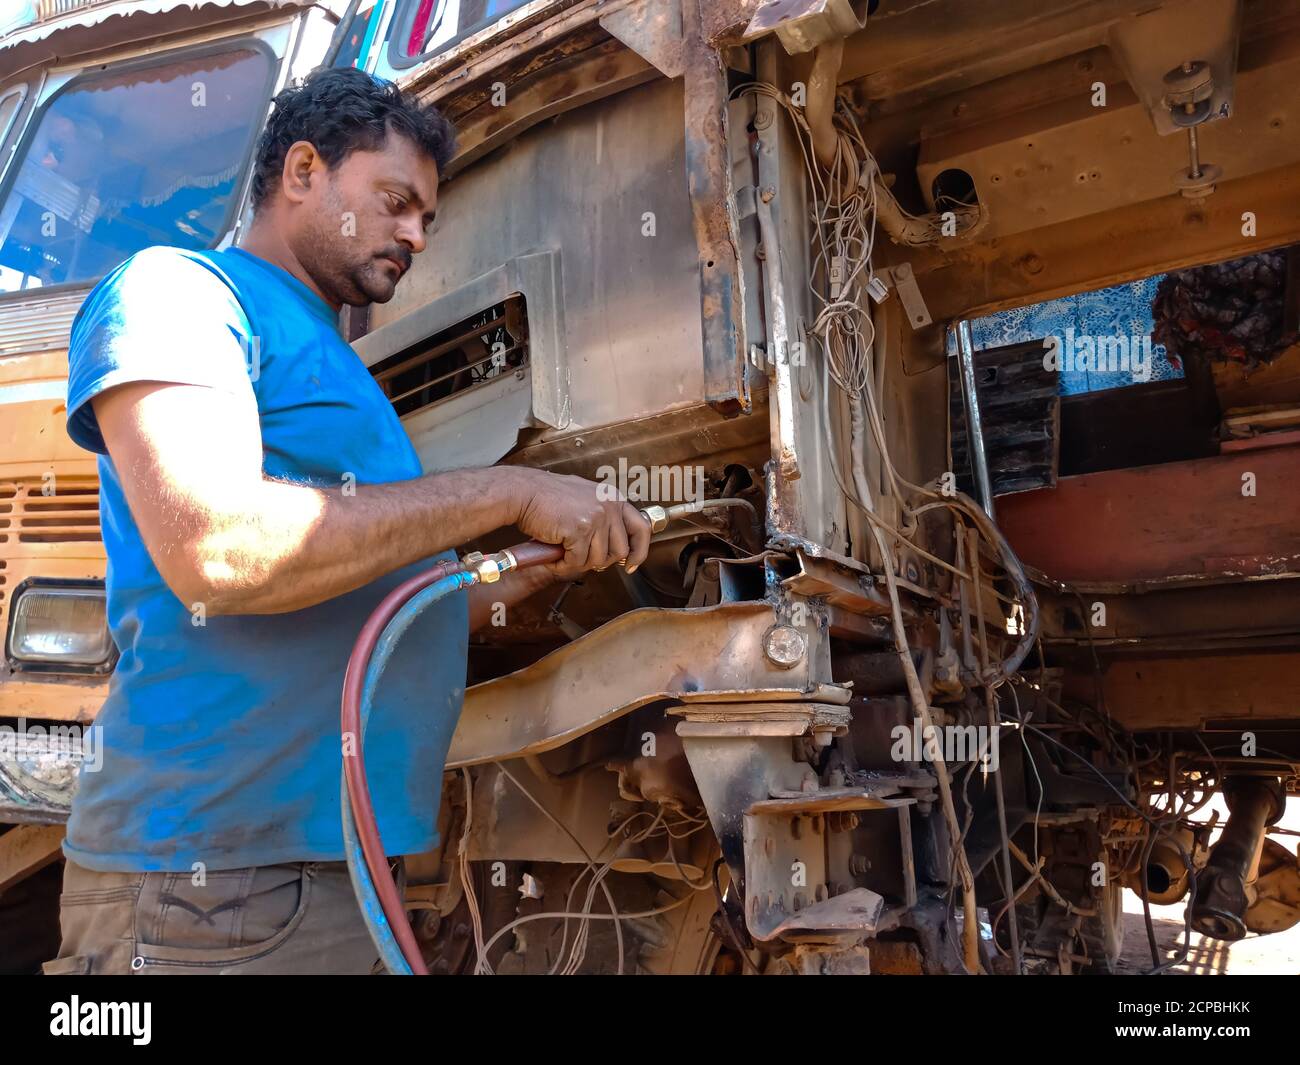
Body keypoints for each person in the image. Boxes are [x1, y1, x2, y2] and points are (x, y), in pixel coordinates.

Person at [43, 66, 649, 975]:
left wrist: (500, 579)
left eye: (425, 219)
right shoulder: (180, 292)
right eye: (396, 200)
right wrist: (508, 492)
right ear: (300, 172)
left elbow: (360, 607)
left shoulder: (334, 362)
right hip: (206, 888)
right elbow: (222, 546)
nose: (413, 233)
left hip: (332, 874)